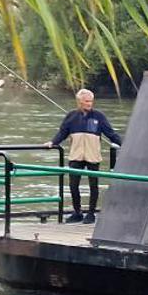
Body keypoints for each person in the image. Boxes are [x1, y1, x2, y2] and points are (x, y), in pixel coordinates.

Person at [44, 88, 122, 223]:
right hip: (76, 155)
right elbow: (62, 133)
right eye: (86, 101)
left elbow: (111, 134)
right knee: (73, 185)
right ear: (79, 102)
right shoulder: (71, 116)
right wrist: (52, 142)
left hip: (93, 156)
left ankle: (91, 213)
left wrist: (124, 144)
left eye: (91, 101)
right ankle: (77, 212)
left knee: (93, 185)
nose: (89, 104)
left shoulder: (99, 116)